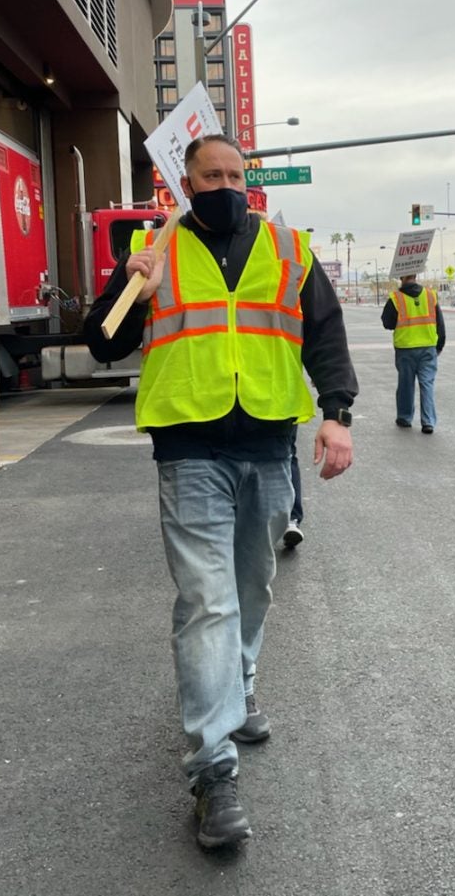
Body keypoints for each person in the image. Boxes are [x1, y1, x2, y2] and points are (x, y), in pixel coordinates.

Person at [83, 134, 357, 849]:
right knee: (208, 599)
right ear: (188, 181)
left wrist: (336, 413)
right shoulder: (154, 250)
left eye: (236, 174)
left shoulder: (288, 249)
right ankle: (212, 769)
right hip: (189, 444)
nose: (227, 185)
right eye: (212, 175)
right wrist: (129, 287)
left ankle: (240, 679)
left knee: (252, 584)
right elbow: (103, 343)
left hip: (267, 442)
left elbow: (325, 334)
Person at [381, 273, 445, 432]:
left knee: (406, 384)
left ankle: (404, 417)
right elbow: (440, 323)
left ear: (401, 277)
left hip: (405, 348)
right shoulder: (430, 295)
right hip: (428, 347)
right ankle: (428, 421)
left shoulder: (396, 298)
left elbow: (387, 323)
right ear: (415, 275)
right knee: (427, 384)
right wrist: (439, 345)